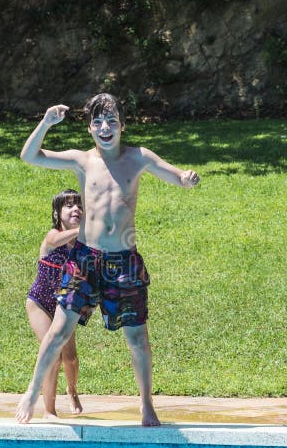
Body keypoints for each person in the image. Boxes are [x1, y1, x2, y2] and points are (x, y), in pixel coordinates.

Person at [16, 93, 200, 426]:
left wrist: (186, 178)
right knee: (58, 331)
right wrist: (46, 122)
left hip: (124, 262)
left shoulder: (139, 158)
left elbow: (176, 176)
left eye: (112, 122)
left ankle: (146, 405)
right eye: (98, 122)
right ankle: (31, 393)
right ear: (89, 128)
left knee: (137, 338)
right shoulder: (82, 161)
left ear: (123, 127)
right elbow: (30, 156)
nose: (105, 128)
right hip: (85, 260)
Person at [26, 189, 85, 418]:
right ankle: (49, 411)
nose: (76, 209)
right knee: (52, 354)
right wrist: (87, 227)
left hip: (66, 305)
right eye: (69, 206)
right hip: (40, 302)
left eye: (79, 205)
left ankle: (71, 390)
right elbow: (58, 239)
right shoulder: (53, 236)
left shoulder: (82, 245)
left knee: (70, 358)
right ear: (57, 212)